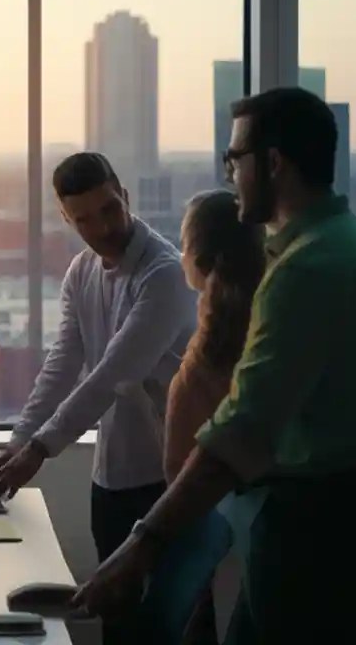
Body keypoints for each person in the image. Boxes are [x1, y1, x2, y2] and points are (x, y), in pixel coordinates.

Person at [74, 88, 356, 645]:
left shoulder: (302, 270)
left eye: (234, 159)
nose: (230, 174)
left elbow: (240, 432)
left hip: (310, 522)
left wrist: (143, 543)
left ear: (273, 163)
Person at [0, 152, 196, 644]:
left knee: (166, 628)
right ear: (66, 218)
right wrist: (18, 441)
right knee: (118, 628)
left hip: (167, 479)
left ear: (125, 194)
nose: (101, 227)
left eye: (108, 210)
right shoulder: (82, 271)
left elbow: (111, 377)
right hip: (112, 478)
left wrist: (39, 450)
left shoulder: (163, 274)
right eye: (83, 219)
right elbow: (63, 363)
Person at [138, 189, 265, 644]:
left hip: (211, 517)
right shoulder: (268, 318)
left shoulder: (208, 354)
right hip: (242, 521)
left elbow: (188, 464)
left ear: (196, 256)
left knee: (159, 625)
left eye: (183, 244)